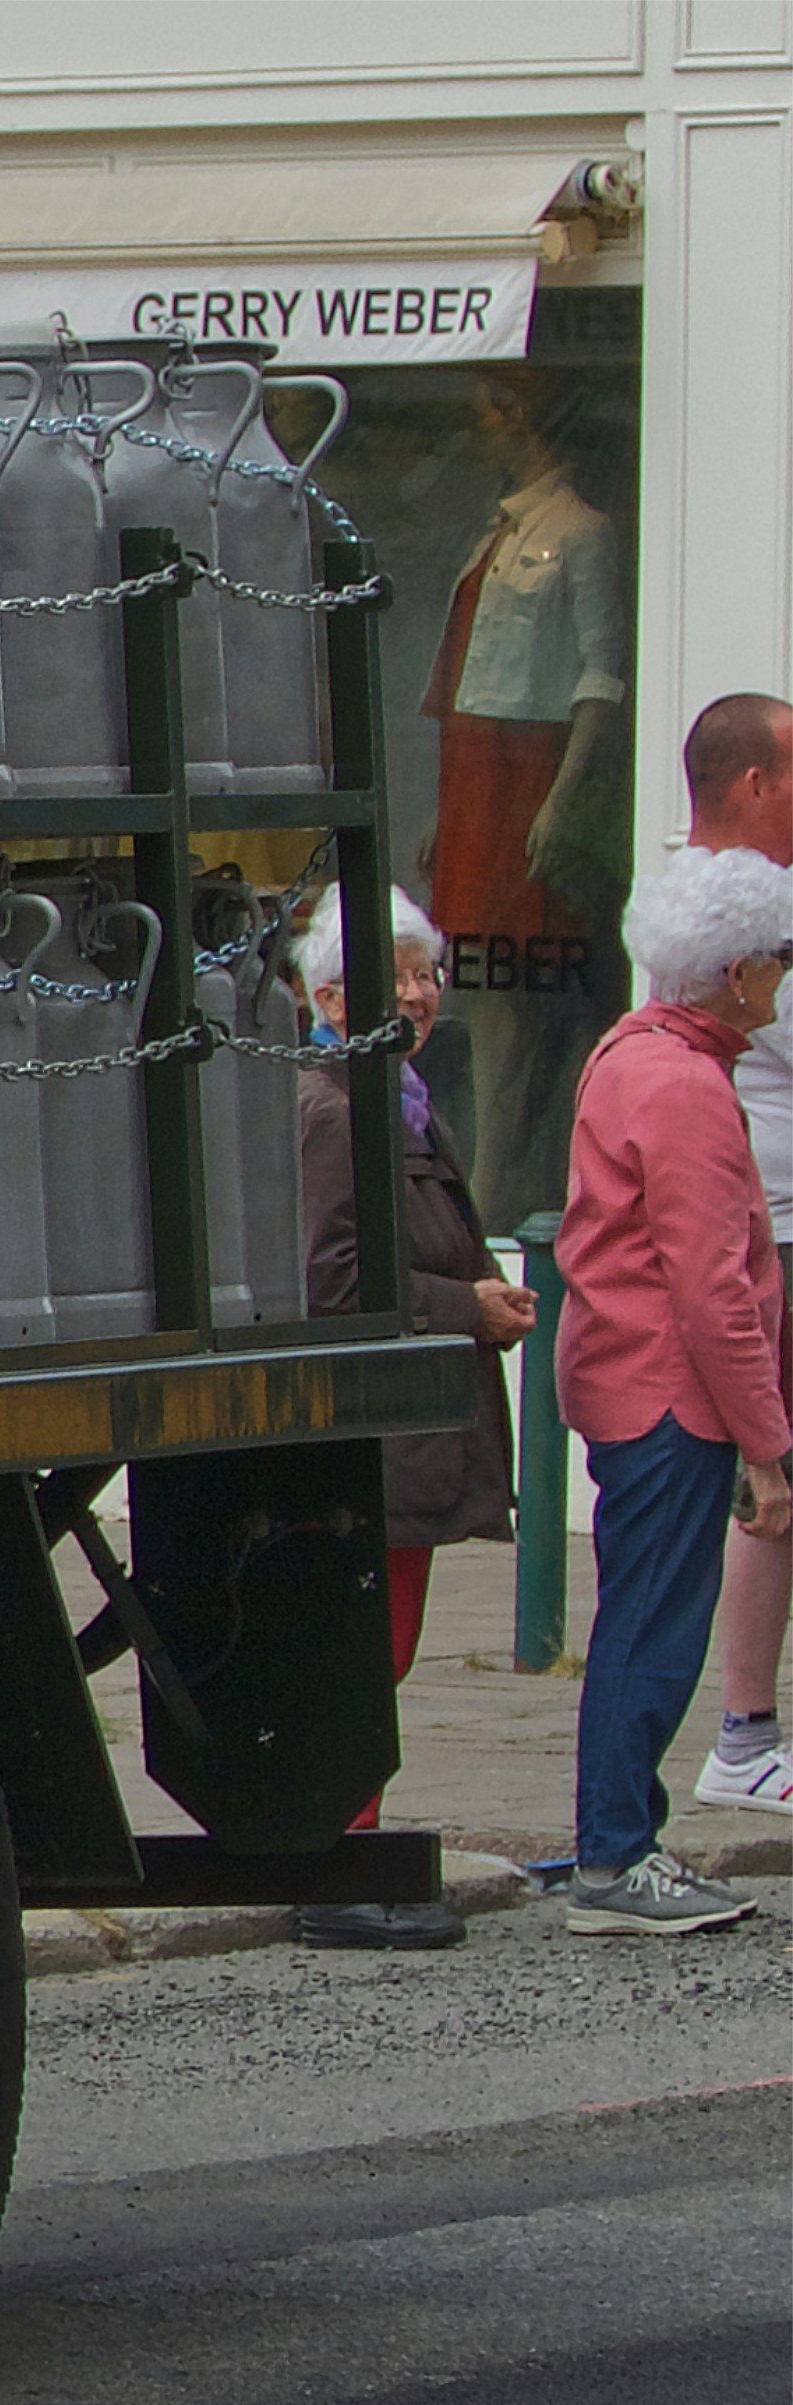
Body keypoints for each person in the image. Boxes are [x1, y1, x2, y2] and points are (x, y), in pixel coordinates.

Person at [549, 845, 793, 1932]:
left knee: (639, 1617)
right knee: (653, 1629)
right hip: (667, 1392)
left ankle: (620, 1841)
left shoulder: (631, 1050)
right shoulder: (687, 1084)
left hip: (630, 1376)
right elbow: (712, 1288)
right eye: (779, 956)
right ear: (737, 973)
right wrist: (769, 1448)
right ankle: (615, 1856)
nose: (783, 975)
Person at [290, 891, 527, 1950]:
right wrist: (466, 1306)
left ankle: (357, 1850)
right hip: (371, 1436)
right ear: (332, 998)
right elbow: (334, 1283)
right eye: (395, 975)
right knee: (364, 1651)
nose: (421, 993)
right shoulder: (338, 1111)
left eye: (427, 973)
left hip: (412, 1431)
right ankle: (339, 1864)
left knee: (384, 1647)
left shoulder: (398, 1097)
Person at [423, 370, 635, 1228]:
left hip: (527, 773)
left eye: (483, 417)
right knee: (479, 987)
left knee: (516, 992)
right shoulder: (499, 528)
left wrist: (558, 798)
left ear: (518, 418)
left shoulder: (581, 532)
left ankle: (498, 1191)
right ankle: (489, 1183)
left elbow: (601, 672)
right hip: (478, 773)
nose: (474, 436)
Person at [672, 696, 793, 1811]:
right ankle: (746, 1735)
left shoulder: (686, 892)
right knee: (774, 1485)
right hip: (776, 1229)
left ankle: (748, 1732)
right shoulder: (742, 911)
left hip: (761, 1225)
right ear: (754, 783)